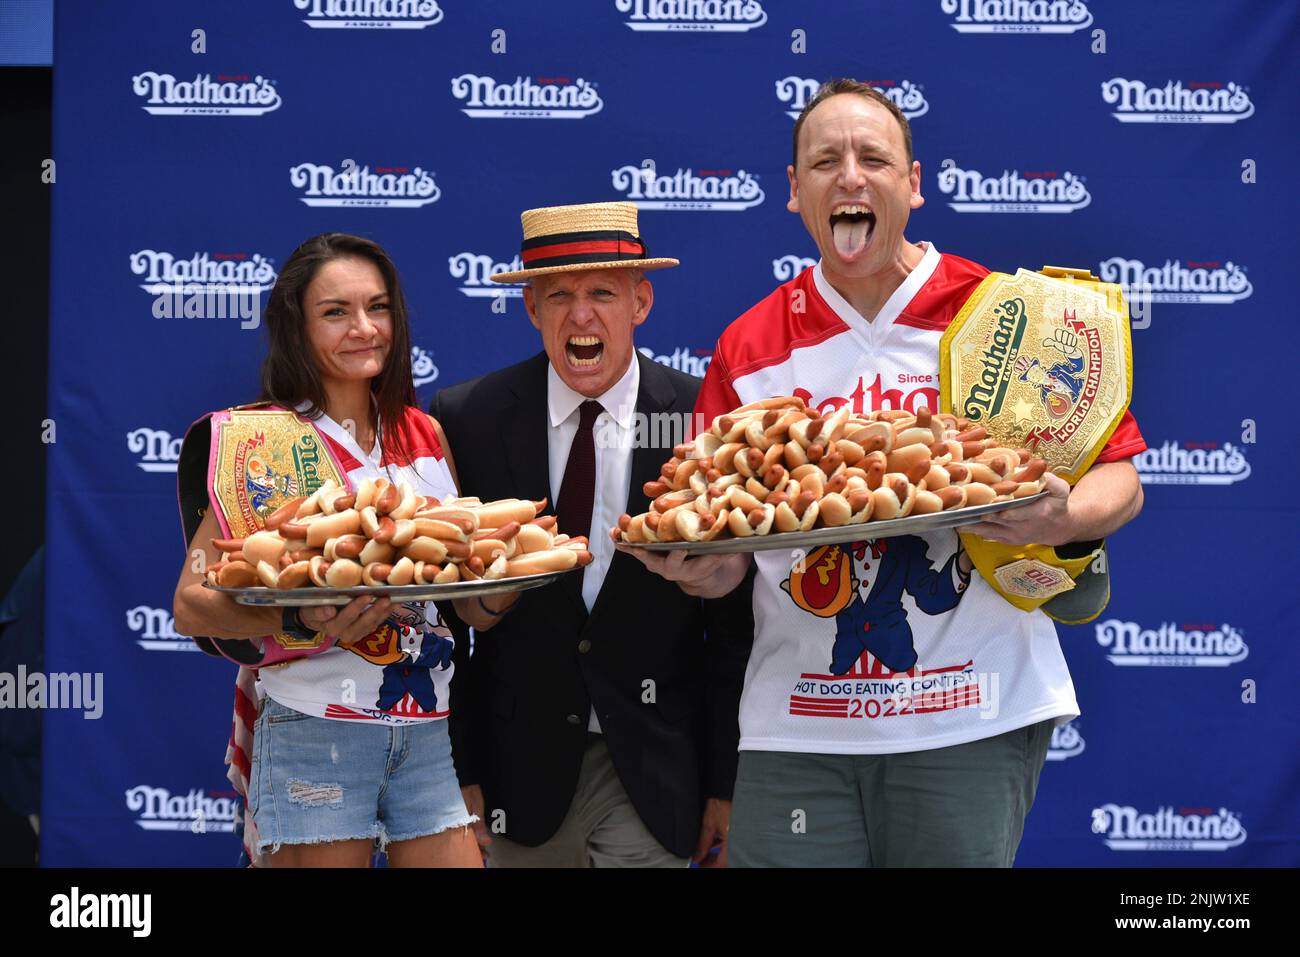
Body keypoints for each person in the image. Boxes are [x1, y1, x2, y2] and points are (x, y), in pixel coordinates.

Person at [623, 79, 1147, 867]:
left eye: (874, 157)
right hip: (797, 722)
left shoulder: (1001, 311)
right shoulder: (750, 345)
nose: (851, 176)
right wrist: (700, 569)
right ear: (794, 192)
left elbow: (1121, 478)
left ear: (915, 182)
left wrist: (1062, 516)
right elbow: (729, 550)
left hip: (970, 710)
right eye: (825, 161)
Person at [432, 202, 753, 867]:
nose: (580, 315)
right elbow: (446, 629)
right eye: (559, 296)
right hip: (516, 780)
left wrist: (726, 782)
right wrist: (455, 773)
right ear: (530, 308)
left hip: (657, 777)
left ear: (642, 301)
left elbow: (731, 622)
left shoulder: (700, 416)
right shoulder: (469, 417)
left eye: (602, 292)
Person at [172, 233, 481, 867]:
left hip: (425, 724)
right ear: (297, 327)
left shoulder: (424, 434)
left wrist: (502, 581)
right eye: (336, 312)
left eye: (379, 307)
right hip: (318, 723)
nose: (364, 328)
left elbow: (462, 599)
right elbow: (193, 603)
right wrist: (299, 618)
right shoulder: (260, 440)